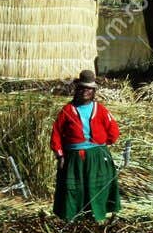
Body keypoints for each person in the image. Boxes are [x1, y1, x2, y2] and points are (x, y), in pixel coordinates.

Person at [51, 69, 121, 222]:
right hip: (74, 158)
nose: (85, 91)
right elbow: (56, 133)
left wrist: (101, 147)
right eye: (82, 87)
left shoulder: (100, 110)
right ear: (77, 89)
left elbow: (113, 130)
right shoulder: (67, 110)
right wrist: (60, 154)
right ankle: (72, 218)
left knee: (96, 187)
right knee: (74, 188)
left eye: (89, 88)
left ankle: (97, 217)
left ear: (93, 91)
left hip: (97, 156)